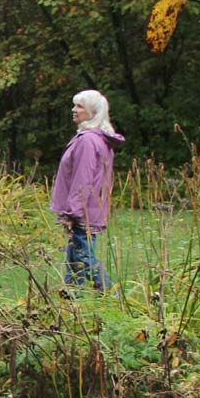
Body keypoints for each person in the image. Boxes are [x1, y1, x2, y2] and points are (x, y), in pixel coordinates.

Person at [50, 89, 123, 292]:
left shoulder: (88, 141)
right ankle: (72, 301)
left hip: (83, 211)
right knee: (75, 260)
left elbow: (83, 179)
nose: (74, 110)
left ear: (93, 112)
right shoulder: (97, 138)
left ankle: (112, 296)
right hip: (89, 209)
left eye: (79, 106)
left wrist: (73, 212)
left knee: (84, 257)